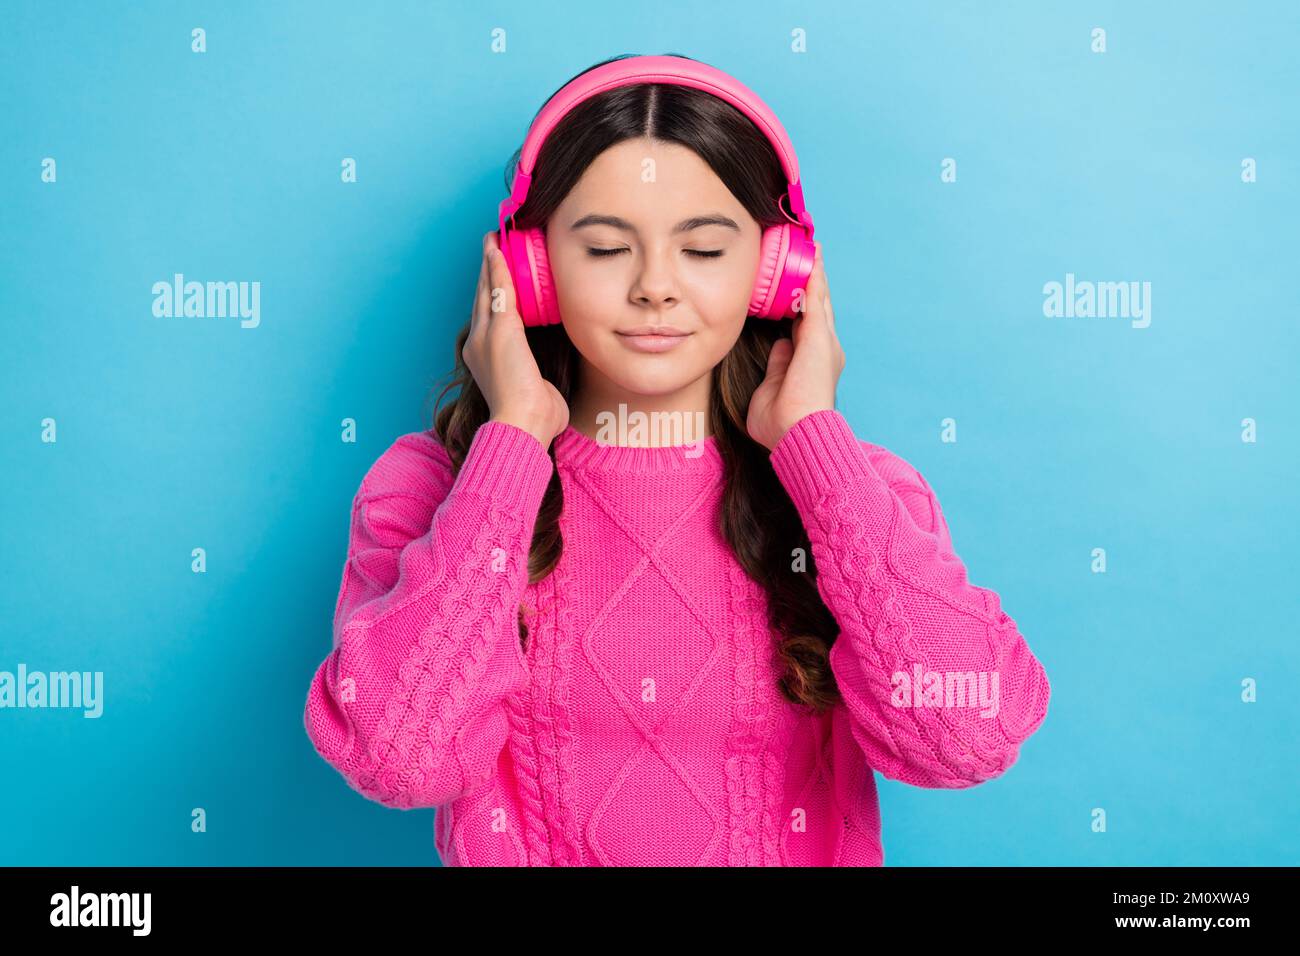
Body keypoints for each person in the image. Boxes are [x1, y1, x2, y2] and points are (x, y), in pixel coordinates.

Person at [303, 52, 1051, 866]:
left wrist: (815, 447)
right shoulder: (433, 492)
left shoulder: (858, 493)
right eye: (605, 249)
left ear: (776, 275)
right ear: (529, 270)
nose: (656, 287)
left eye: (701, 250)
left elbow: (965, 742)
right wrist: (512, 445)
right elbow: (400, 759)